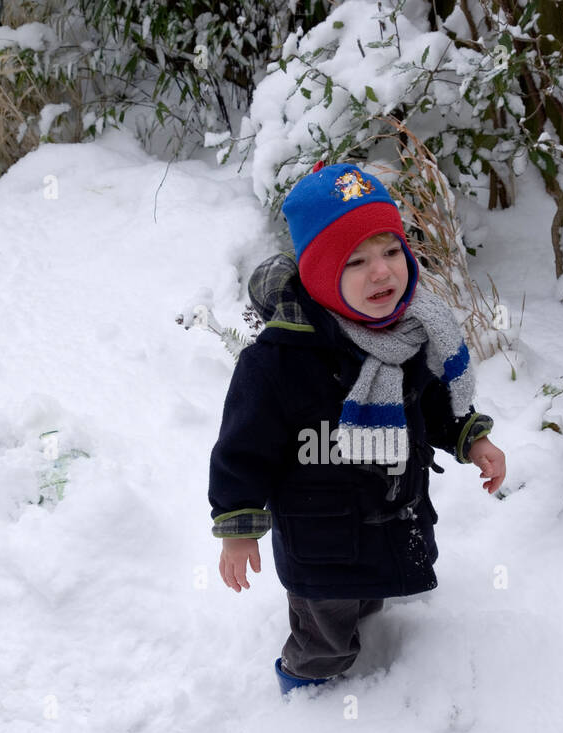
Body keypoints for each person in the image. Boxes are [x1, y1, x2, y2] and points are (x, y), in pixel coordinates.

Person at [208, 160, 506, 694]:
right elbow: (242, 451)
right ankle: (305, 693)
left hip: (388, 514)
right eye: (357, 260)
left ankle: (367, 611)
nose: (383, 272)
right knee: (327, 637)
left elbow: (430, 400)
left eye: (392, 251)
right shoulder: (278, 361)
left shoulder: (407, 332)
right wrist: (238, 529)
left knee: (371, 592)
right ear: (320, 275)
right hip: (320, 538)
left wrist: (470, 436)